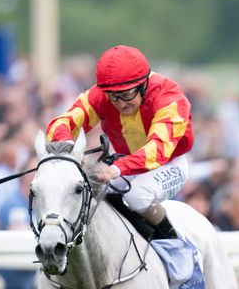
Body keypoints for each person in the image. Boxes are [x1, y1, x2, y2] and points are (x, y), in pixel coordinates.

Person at [46, 45, 194, 239]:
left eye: (126, 95)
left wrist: (117, 169)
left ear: (143, 85)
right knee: (92, 193)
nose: (120, 103)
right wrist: (67, 147)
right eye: (113, 97)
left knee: (137, 196)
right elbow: (63, 123)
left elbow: (157, 150)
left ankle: (174, 243)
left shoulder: (169, 99)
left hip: (168, 163)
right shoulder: (101, 95)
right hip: (126, 161)